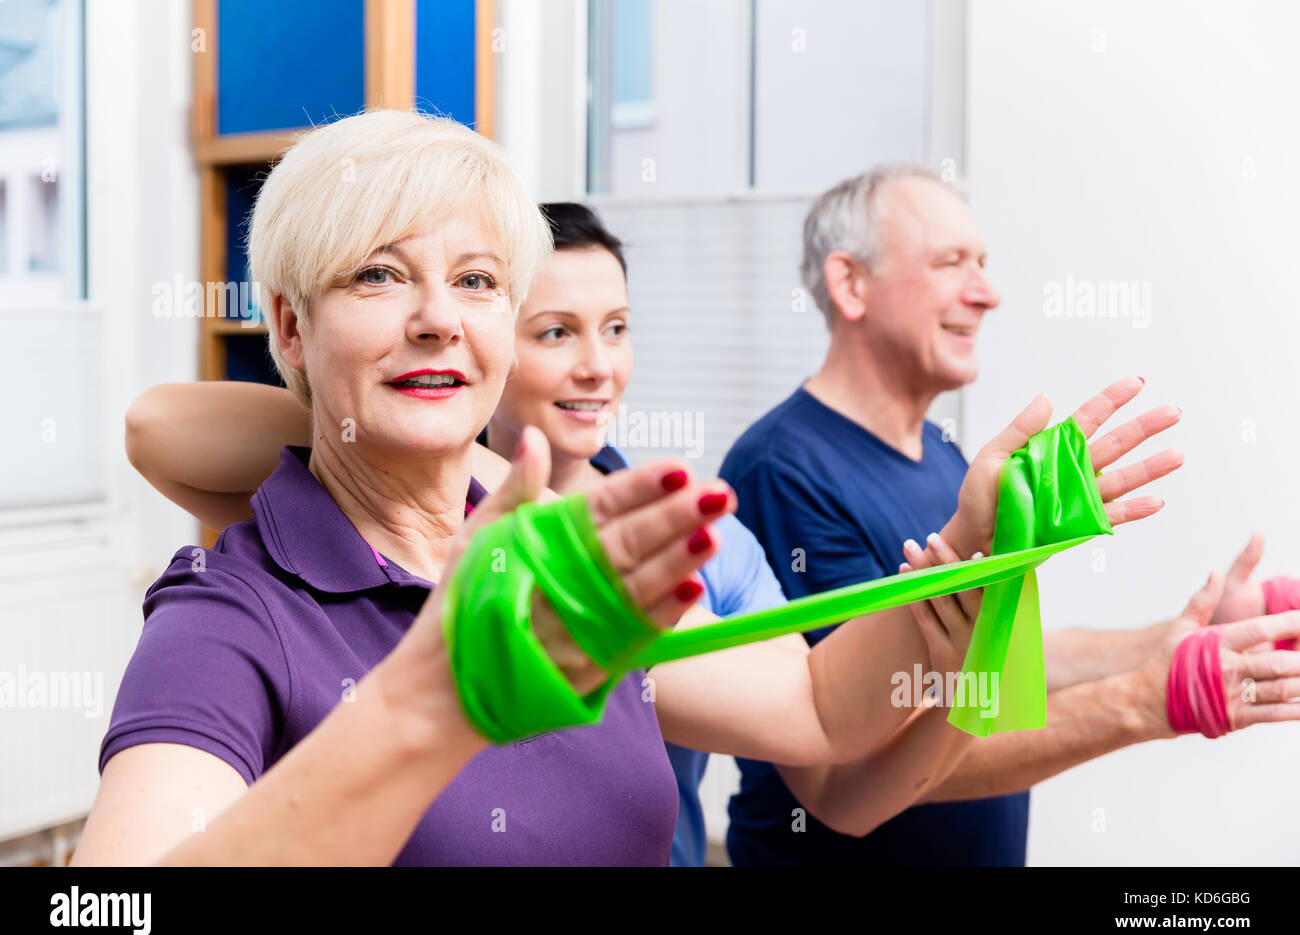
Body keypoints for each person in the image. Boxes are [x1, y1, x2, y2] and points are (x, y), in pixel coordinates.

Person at [94, 112, 1184, 866]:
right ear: (288, 323)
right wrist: (427, 705)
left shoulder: (572, 562)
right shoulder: (226, 615)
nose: (437, 315)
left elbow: (817, 708)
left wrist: (977, 553)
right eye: (379, 274)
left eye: (476, 281)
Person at [719, 163, 1300, 866]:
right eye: (950, 262)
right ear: (851, 285)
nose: (988, 293)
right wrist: (1150, 700)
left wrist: (1183, 638)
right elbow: (865, 750)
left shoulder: (942, 455)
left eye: (985, 264)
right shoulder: (783, 471)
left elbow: (996, 661)